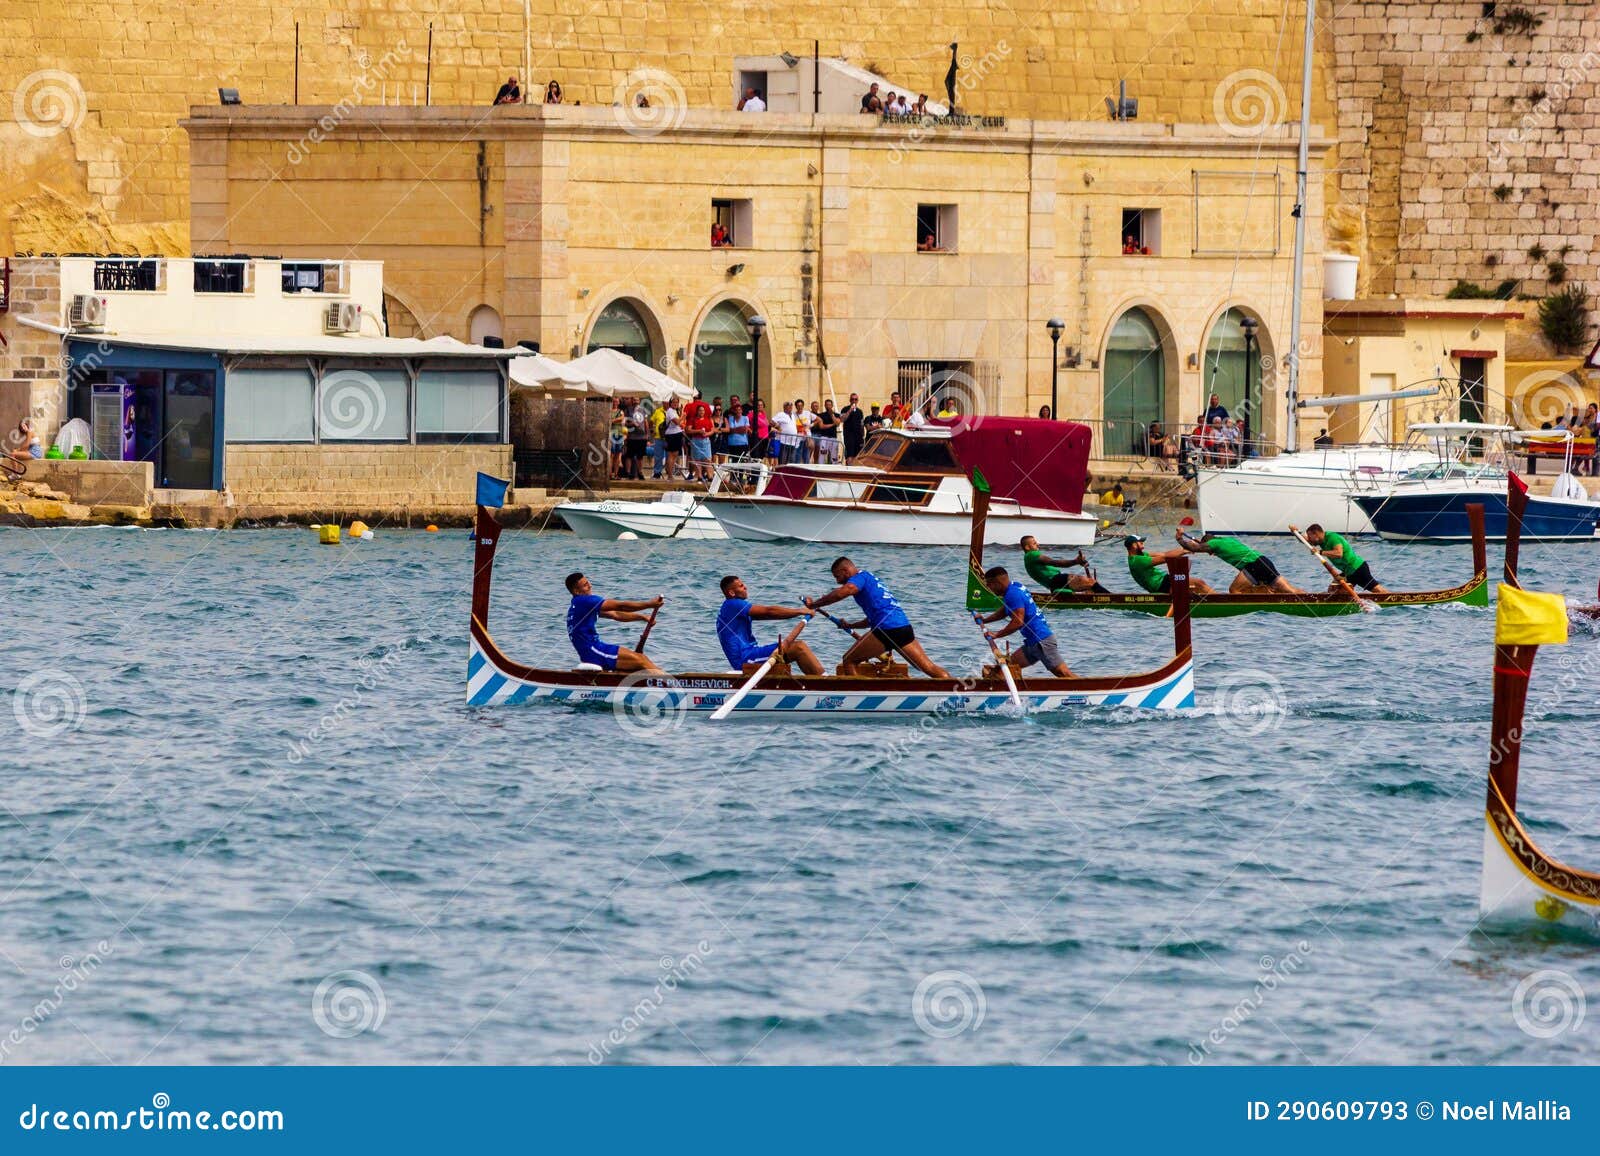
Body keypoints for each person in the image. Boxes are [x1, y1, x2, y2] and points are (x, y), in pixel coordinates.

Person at [805, 557, 951, 678]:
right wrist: (850, 625)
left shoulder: (860, 578)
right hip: (903, 627)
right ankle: (955, 693)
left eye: (837, 576)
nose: (837, 581)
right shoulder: (870, 579)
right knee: (928, 667)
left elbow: (843, 592)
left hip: (887, 629)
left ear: (846, 571)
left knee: (849, 661)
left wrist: (814, 604)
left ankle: (858, 696)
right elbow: (871, 620)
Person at [716, 576, 824, 675]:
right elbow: (769, 611)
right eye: (741, 586)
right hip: (746, 659)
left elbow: (771, 615)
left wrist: (803, 611)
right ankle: (825, 681)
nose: (745, 587)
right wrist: (801, 611)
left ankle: (819, 681)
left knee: (795, 647)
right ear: (732, 593)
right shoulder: (733, 604)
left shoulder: (730, 609)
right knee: (798, 647)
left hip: (751, 654)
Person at [978, 566, 1072, 677]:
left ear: (997, 583)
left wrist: (997, 634)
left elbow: (1018, 622)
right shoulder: (1015, 586)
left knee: (1064, 674)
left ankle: (1087, 687)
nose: (989, 589)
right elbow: (1006, 610)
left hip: (1041, 641)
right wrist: (985, 620)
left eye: (989, 585)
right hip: (1031, 643)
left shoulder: (1013, 594)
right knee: (1006, 669)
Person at [564, 573, 663, 673]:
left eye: (588, 582)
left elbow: (615, 614)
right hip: (594, 651)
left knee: (640, 660)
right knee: (641, 660)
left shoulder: (578, 605)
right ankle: (667, 681)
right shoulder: (584, 601)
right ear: (576, 591)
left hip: (593, 650)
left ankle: (659, 679)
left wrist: (642, 617)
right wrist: (649, 604)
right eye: (585, 585)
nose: (590, 586)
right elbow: (620, 606)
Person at [1176, 528, 1301, 594]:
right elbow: (1204, 546)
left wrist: (1179, 538)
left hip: (1253, 566)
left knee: (1234, 590)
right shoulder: (1227, 540)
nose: (1210, 554)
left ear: (1208, 543)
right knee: (1291, 591)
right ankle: (1309, 599)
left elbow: (1193, 548)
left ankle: (1254, 605)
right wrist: (1202, 544)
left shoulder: (1213, 544)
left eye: (1209, 551)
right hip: (1264, 561)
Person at [1305, 524, 1387, 592]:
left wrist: (1320, 552)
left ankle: (1392, 599)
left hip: (1357, 569)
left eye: (1310, 536)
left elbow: (1339, 553)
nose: (1309, 539)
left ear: (1316, 534)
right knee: (1333, 590)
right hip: (1348, 572)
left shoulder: (1332, 537)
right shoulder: (1321, 541)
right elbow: (1305, 540)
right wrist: (1298, 533)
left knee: (1378, 590)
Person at [1124, 534, 1215, 595]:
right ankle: (1220, 600)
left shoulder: (1141, 555)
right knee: (1199, 583)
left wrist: (1187, 548)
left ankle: (1213, 600)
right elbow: (1166, 558)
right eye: (1140, 542)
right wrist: (1186, 550)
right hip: (1161, 586)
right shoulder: (1137, 561)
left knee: (1196, 587)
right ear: (1134, 545)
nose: (1143, 544)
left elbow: (1164, 554)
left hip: (1165, 581)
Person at [1020, 535, 1111, 595]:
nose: (1038, 544)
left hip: (1054, 584)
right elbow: (1054, 562)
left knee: (1089, 588)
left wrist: (1077, 561)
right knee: (1091, 582)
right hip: (1057, 580)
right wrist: (1076, 561)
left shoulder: (1028, 558)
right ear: (1027, 547)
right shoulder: (1031, 555)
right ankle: (1113, 598)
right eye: (1034, 543)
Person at [684, 393, 714, 482]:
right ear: (697, 411)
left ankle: (709, 476)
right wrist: (698, 431)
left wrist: (707, 434)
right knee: (697, 460)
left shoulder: (708, 420)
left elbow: (712, 430)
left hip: (705, 441)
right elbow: (688, 430)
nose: (702, 412)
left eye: (703, 410)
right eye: (700, 410)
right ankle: (699, 476)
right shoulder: (693, 420)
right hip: (696, 441)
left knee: (707, 459)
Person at [662, 401, 684, 479]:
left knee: (675, 454)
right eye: (674, 402)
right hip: (672, 435)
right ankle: (670, 475)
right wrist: (683, 416)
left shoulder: (675, 411)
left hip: (677, 434)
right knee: (671, 454)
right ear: (670, 403)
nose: (675, 404)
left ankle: (670, 473)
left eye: (677, 402)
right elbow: (677, 422)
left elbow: (679, 423)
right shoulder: (670, 411)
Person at [814, 398, 841, 462]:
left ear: (832, 406)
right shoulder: (821, 415)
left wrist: (832, 415)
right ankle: (821, 466)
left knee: (834, 456)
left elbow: (837, 424)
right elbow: (821, 426)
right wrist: (832, 424)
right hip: (824, 437)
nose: (828, 406)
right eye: (827, 405)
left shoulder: (837, 415)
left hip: (833, 437)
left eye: (829, 405)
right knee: (822, 454)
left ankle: (834, 466)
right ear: (825, 406)